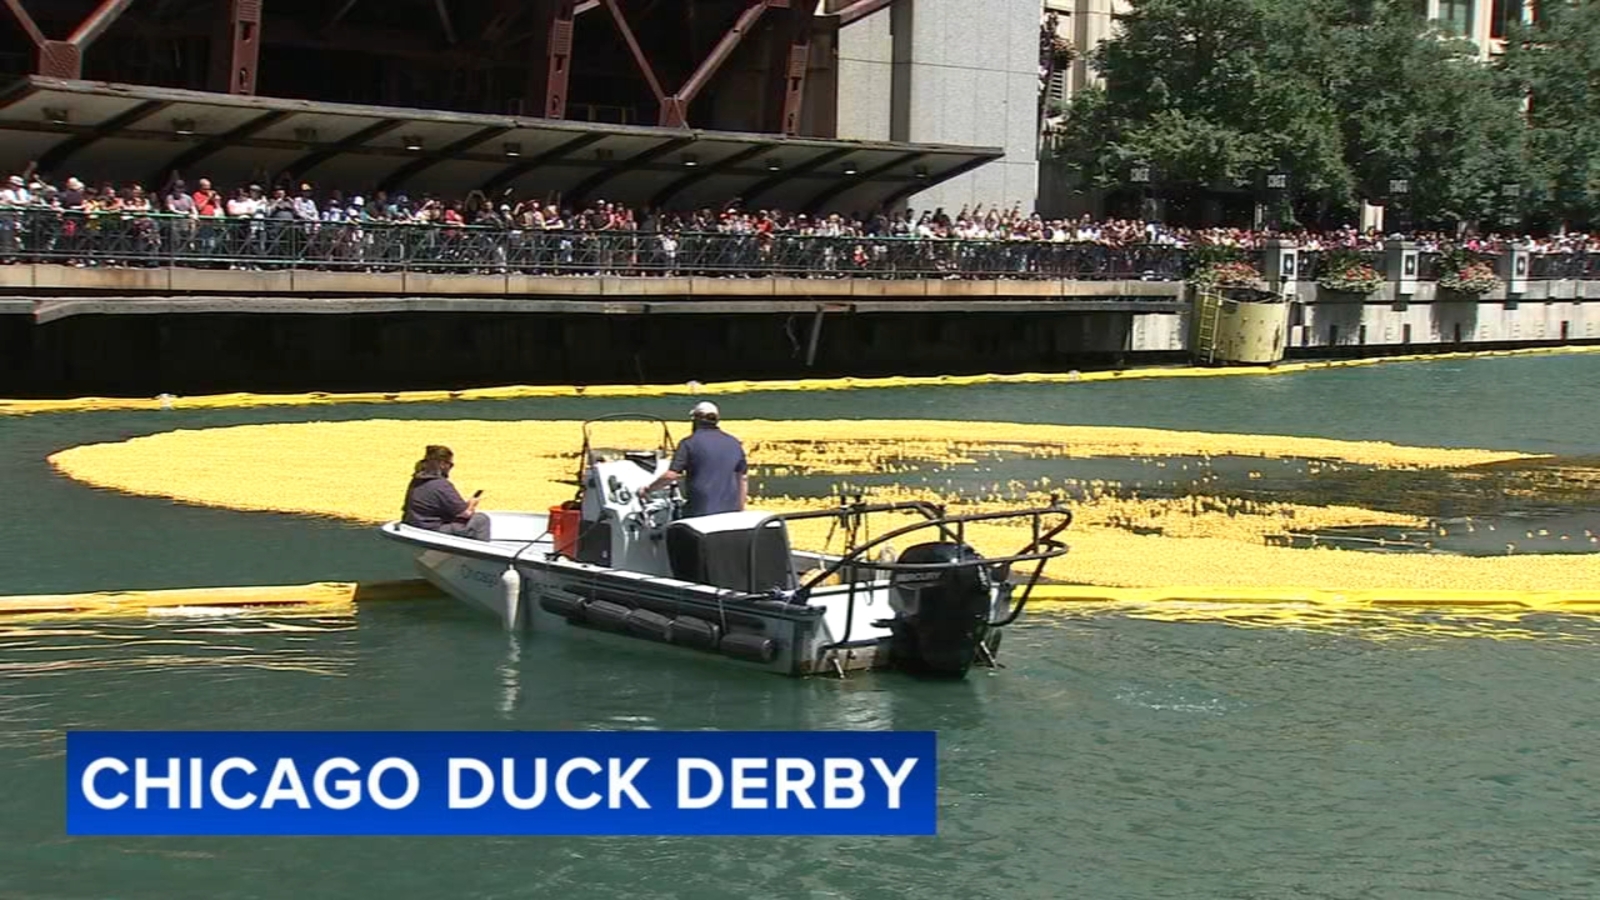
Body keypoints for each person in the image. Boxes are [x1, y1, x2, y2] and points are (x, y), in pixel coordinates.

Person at [645, 401, 747, 517]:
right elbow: (742, 478)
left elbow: (671, 475)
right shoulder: (734, 443)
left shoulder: (688, 443)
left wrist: (647, 490)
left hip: (699, 512)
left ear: (696, 419)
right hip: (730, 513)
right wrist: (740, 510)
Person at [401, 444, 490, 540]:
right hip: (431, 531)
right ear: (442, 464)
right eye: (450, 464)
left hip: (413, 527)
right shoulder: (441, 485)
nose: (450, 468)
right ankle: (479, 552)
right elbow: (466, 513)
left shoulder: (416, 480)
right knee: (481, 519)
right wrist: (472, 503)